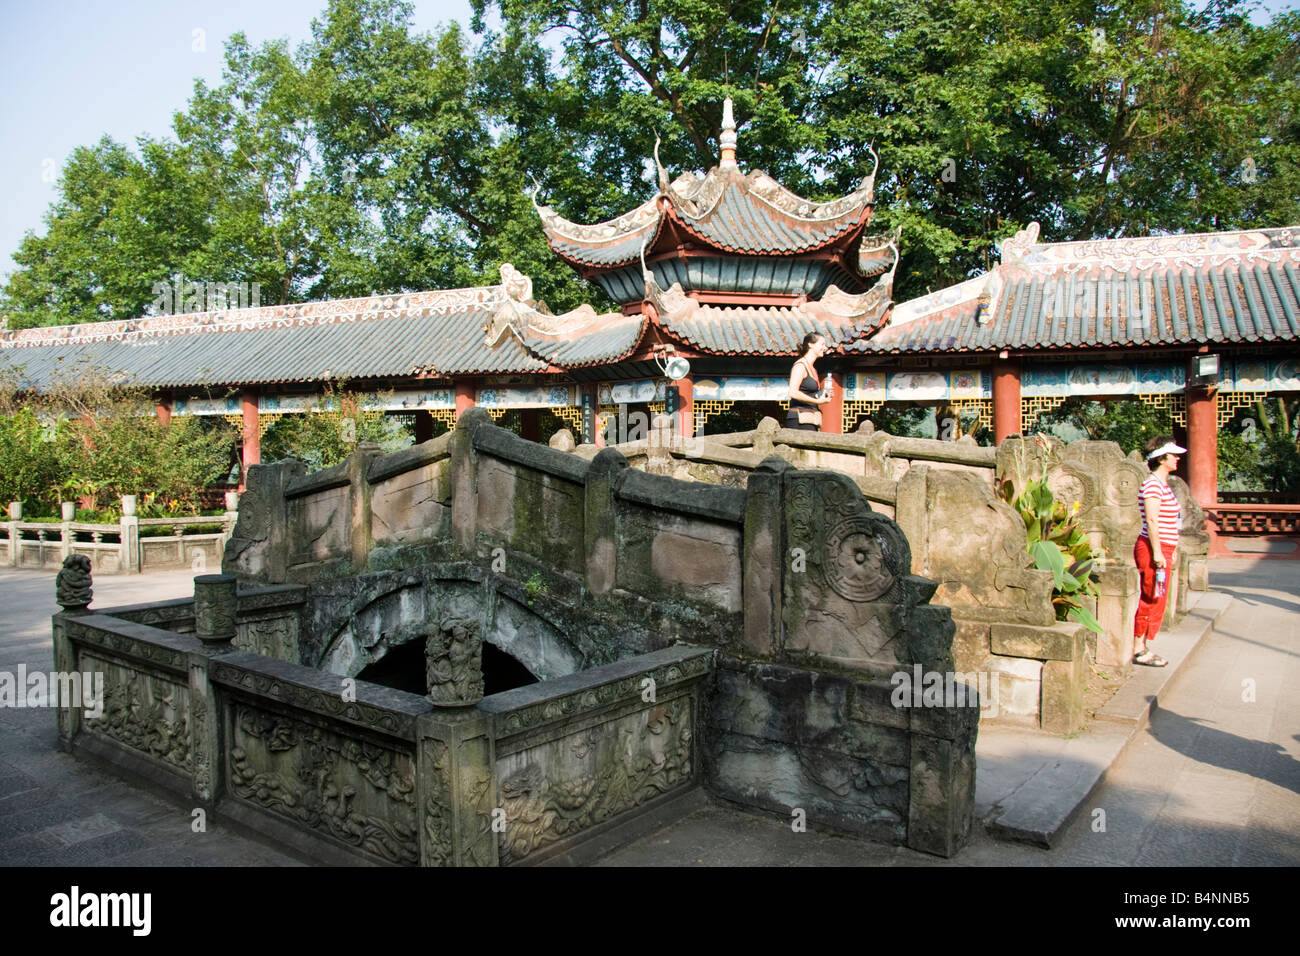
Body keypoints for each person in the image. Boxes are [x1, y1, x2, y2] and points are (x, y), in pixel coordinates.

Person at [1131, 435, 1185, 666]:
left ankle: (1144, 643)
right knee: (1152, 595)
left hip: (1164, 547)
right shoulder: (1152, 485)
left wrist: (1169, 549)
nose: (1177, 459)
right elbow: (1152, 521)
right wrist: (1157, 553)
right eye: (1173, 455)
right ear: (1162, 458)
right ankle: (1138, 648)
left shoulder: (1163, 485)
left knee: (1158, 596)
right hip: (1154, 548)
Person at [787, 332, 830, 431]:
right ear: (811, 344)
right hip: (800, 419)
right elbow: (793, 392)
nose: (825, 348)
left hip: (812, 418)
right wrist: (817, 401)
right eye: (822, 344)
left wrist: (823, 394)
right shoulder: (800, 366)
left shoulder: (813, 369)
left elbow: (809, 393)